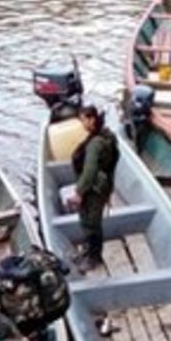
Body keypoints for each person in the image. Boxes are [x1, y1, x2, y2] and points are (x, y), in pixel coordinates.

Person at [70, 104, 118, 271]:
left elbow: (90, 171)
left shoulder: (95, 144)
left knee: (91, 223)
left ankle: (94, 257)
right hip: (102, 184)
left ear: (91, 120)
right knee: (88, 221)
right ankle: (88, 250)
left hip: (95, 189)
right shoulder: (106, 136)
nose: (82, 124)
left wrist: (79, 192)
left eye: (83, 120)